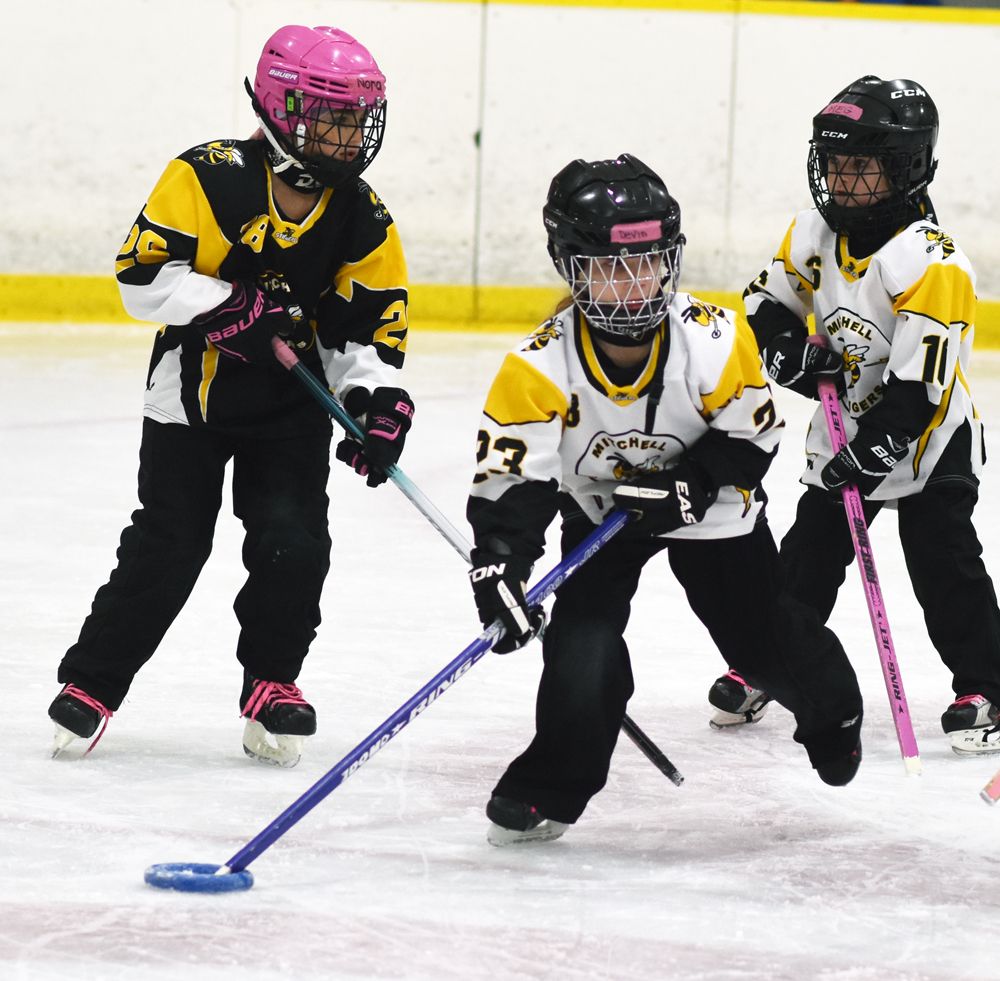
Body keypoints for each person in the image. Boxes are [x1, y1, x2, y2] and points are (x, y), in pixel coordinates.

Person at [466, 154, 865, 845]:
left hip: (711, 510)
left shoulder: (712, 338)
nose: (633, 285)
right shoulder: (536, 365)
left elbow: (753, 438)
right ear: (570, 266)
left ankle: (834, 714)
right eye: (610, 268)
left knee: (760, 638)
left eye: (648, 263)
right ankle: (549, 786)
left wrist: (694, 481)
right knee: (580, 652)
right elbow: (514, 479)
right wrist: (500, 562)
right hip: (602, 514)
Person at [48, 25, 413, 767]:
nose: (348, 137)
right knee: (170, 543)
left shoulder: (362, 214)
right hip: (191, 396)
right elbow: (141, 278)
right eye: (332, 117)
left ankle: (273, 681)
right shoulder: (208, 175)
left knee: (293, 542)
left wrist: (376, 401)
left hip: (291, 409)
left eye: (356, 119)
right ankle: (94, 680)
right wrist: (226, 304)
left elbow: (364, 327)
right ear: (283, 110)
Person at [706, 76, 1000, 757]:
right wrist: (788, 352)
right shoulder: (815, 230)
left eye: (861, 168)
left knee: (944, 561)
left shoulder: (931, 261)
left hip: (930, 442)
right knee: (806, 559)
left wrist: (878, 449)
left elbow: (919, 389)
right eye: (835, 165)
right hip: (841, 428)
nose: (843, 182)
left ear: (906, 168)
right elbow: (763, 304)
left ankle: (986, 686)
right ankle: (767, 663)